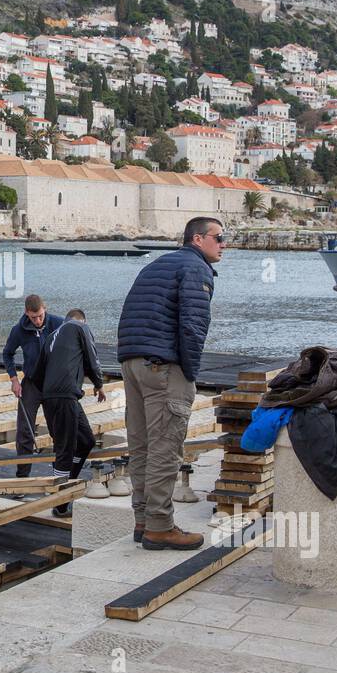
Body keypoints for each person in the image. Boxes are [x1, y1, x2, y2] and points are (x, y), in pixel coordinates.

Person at [115, 216, 224, 551]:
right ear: (197, 239)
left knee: (142, 446)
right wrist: (189, 372)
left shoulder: (159, 264)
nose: (224, 245)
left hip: (133, 363)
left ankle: (143, 520)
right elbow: (193, 323)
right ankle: (160, 527)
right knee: (165, 448)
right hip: (163, 366)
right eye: (219, 238)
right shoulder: (196, 269)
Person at [37, 309, 106, 517]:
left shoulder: (50, 337)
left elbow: (38, 371)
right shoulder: (80, 327)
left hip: (54, 397)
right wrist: (99, 383)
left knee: (86, 441)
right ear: (83, 320)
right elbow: (91, 356)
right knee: (65, 449)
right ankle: (59, 504)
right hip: (65, 395)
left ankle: (68, 484)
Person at [1, 294, 65, 478]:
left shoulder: (59, 324)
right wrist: (13, 379)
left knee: (58, 429)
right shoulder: (19, 330)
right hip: (31, 384)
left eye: (40, 316)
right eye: (33, 317)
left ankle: (60, 474)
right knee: (25, 431)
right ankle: (22, 477)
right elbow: (7, 354)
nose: (37, 321)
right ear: (26, 313)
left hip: (53, 383)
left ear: (45, 309)